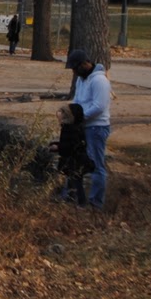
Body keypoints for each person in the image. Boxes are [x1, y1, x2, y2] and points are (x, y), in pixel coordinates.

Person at [65, 48, 112, 209]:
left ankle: (96, 202)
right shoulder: (81, 80)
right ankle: (74, 196)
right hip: (83, 126)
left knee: (96, 165)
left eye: (76, 68)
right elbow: (78, 100)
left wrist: (80, 117)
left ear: (85, 64)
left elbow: (99, 106)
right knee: (76, 161)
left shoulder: (99, 81)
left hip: (97, 127)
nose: (74, 72)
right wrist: (71, 113)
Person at [51, 102, 91, 205]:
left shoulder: (70, 129)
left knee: (76, 183)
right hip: (75, 160)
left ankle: (79, 204)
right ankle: (70, 201)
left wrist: (58, 147)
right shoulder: (74, 127)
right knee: (72, 182)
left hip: (74, 161)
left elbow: (71, 146)